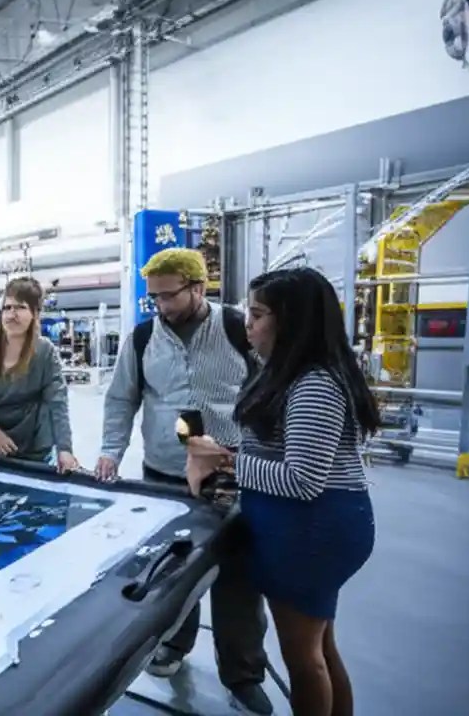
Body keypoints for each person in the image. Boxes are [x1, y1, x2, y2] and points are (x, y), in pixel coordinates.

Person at [187, 267, 377, 716]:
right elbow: (280, 453)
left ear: (290, 321)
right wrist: (230, 450)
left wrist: (225, 461)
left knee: (303, 658)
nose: (247, 324)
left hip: (313, 531)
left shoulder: (315, 383)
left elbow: (302, 480)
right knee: (320, 647)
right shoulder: (284, 373)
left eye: (257, 314)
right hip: (296, 527)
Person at [96, 247, 271, 715]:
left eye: (168, 296)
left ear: (198, 288)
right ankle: (173, 646)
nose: (160, 306)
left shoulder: (239, 329)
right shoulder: (140, 339)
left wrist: (253, 451)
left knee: (238, 580)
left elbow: (271, 390)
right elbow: (121, 400)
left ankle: (243, 674)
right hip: (164, 474)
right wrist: (111, 453)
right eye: (152, 297)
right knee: (173, 574)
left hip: (230, 474)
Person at [0, 276, 77, 469]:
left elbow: (57, 402)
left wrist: (65, 449)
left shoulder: (45, 352)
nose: (11, 314)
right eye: (7, 307)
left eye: (20, 307)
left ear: (35, 313)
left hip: (32, 450)